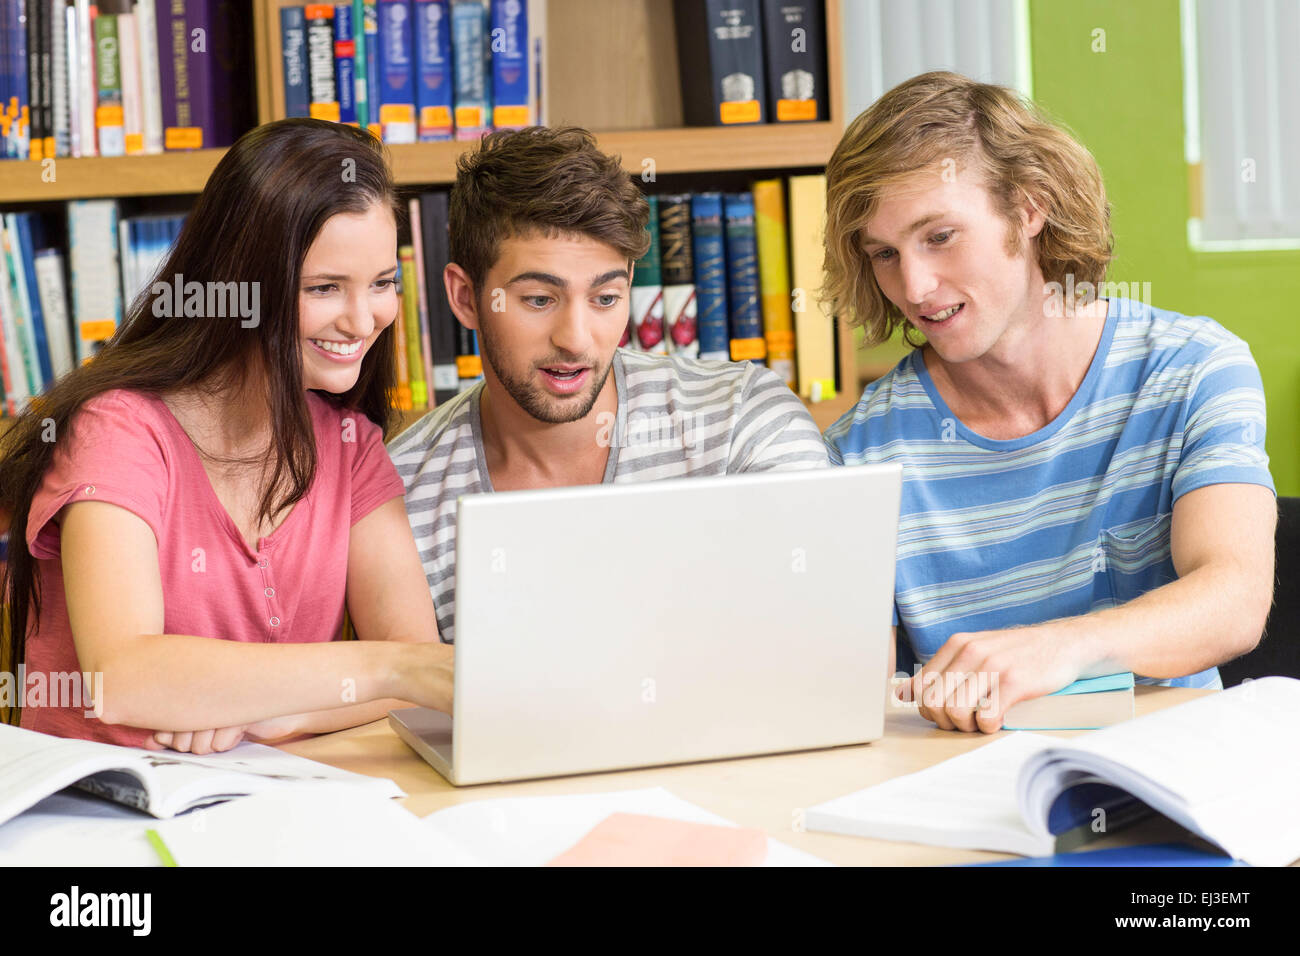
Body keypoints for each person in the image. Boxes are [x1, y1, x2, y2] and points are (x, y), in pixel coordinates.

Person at [820, 72, 1276, 733]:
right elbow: (852, 699)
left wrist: (1059, 647)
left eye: (939, 236)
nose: (914, 286)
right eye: (885, 254)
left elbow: (1234, 599)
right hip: (962, 799)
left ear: (1029, 209)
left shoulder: (1192, 369)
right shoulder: (862, 453)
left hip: (1171, 783)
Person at [0, 119, 452, 753]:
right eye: (324, 288)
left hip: (261, 807)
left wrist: (278, 716)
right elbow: (123, 678)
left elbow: (421, 673)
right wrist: (390, 667)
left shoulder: (351, 447)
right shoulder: (119, 429)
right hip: (101, 819)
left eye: (382, 283)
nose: (363, 318)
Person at [388, 126, 830, 643]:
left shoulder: (744, 419)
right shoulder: (399, 496)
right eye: (538, 299)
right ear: (465, 298)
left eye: (605, 299)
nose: (576, 341)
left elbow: (819, 641)